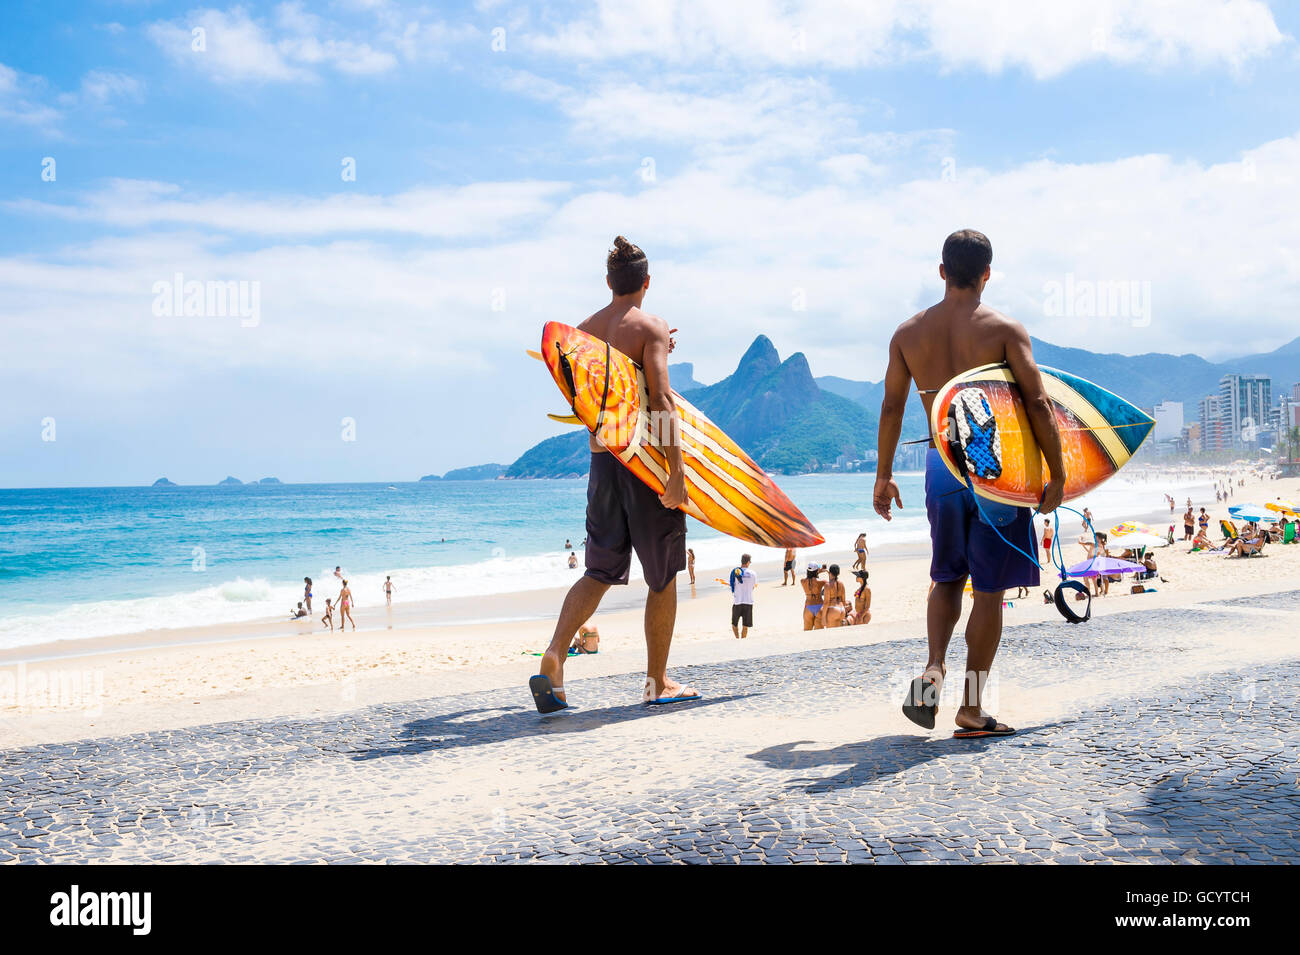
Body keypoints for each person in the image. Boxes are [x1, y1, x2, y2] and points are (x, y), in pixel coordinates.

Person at [875, 230, 1063, 739]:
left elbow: (892, 407)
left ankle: (933, 668)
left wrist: (884, 474)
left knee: (947, 576)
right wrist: (1056, 470)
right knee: (990, 590)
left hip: (941, 465)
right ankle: (972, 708)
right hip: (994, 469)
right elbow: (1039, 402)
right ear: (987, 274)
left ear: (941, 272)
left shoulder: (908, 334)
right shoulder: (1003, 328)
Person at [531, 236, 698, 713]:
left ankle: (555, 657)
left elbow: (588, 400)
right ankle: (657, 682)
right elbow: (662, 399)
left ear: (608, 283)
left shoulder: (580, 333)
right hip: (644, 463)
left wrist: (647, 354)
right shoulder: (652, 325)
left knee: (599, 570)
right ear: (647, 282)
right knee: (663, 576)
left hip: (602, 461)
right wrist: (677, 471)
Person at [729, 554, 757, 639]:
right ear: (748, 562)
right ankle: (743, 640)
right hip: (748, 601)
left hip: (737, 601)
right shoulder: (753, 573)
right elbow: (753, 587)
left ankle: (737, 638)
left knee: (734, 624)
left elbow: (732, 585)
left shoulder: (735, 572)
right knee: (745, 625)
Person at [800, 563, 825, 631]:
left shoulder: (802, 581)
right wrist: (821, 572)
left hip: (808, 607)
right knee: (819, 632)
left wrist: (814, 572)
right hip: (819, 606)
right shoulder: (821, 582)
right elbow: (830, 584)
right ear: (817, 571)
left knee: (807, 631)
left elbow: (809, 578)